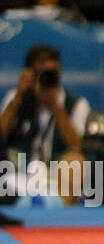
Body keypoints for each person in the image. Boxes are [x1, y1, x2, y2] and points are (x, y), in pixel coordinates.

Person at [0, 45, 89, 206]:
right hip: (17, 175)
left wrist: (56, 108)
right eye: (40, 74)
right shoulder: (15, 98)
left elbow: (78, 146)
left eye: (52, 74)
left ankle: (53, 207)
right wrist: (19, 96)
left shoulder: (76, 104)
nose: (46, 79)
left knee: (75, 161)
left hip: (55, 176)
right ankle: (25, 202)